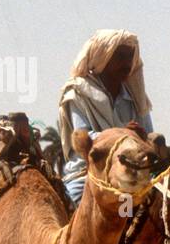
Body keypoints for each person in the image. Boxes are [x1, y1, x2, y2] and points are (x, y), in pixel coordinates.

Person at [57, 29, 154, 204]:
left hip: (133, 176)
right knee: (71, 212)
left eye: (129, 57)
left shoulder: (136, 96)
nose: (127, 63)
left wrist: (144, 137)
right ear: (103, 58)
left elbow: (149, 136)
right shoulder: (78, 93)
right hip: (88, 175)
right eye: (120, 57)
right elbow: (83, 138)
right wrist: (122, 136)